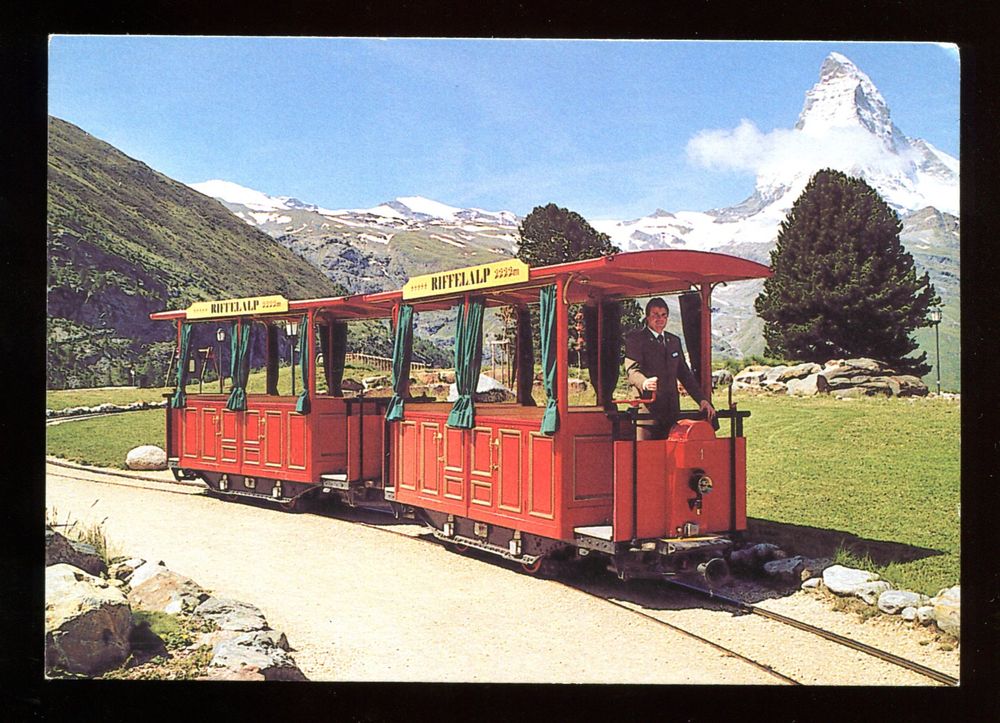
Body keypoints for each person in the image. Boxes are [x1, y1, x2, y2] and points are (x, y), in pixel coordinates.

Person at [624, 297, 716, 440]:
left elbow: (685, 374)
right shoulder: (636, 339)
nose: (659, 319)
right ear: (647, 317)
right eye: (655, 315)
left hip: (671, 414)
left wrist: (702, 400)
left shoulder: (673, 341)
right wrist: (644, 383)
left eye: (663, 315)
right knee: (647, 459)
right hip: (648, 415)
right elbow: (632, 370)